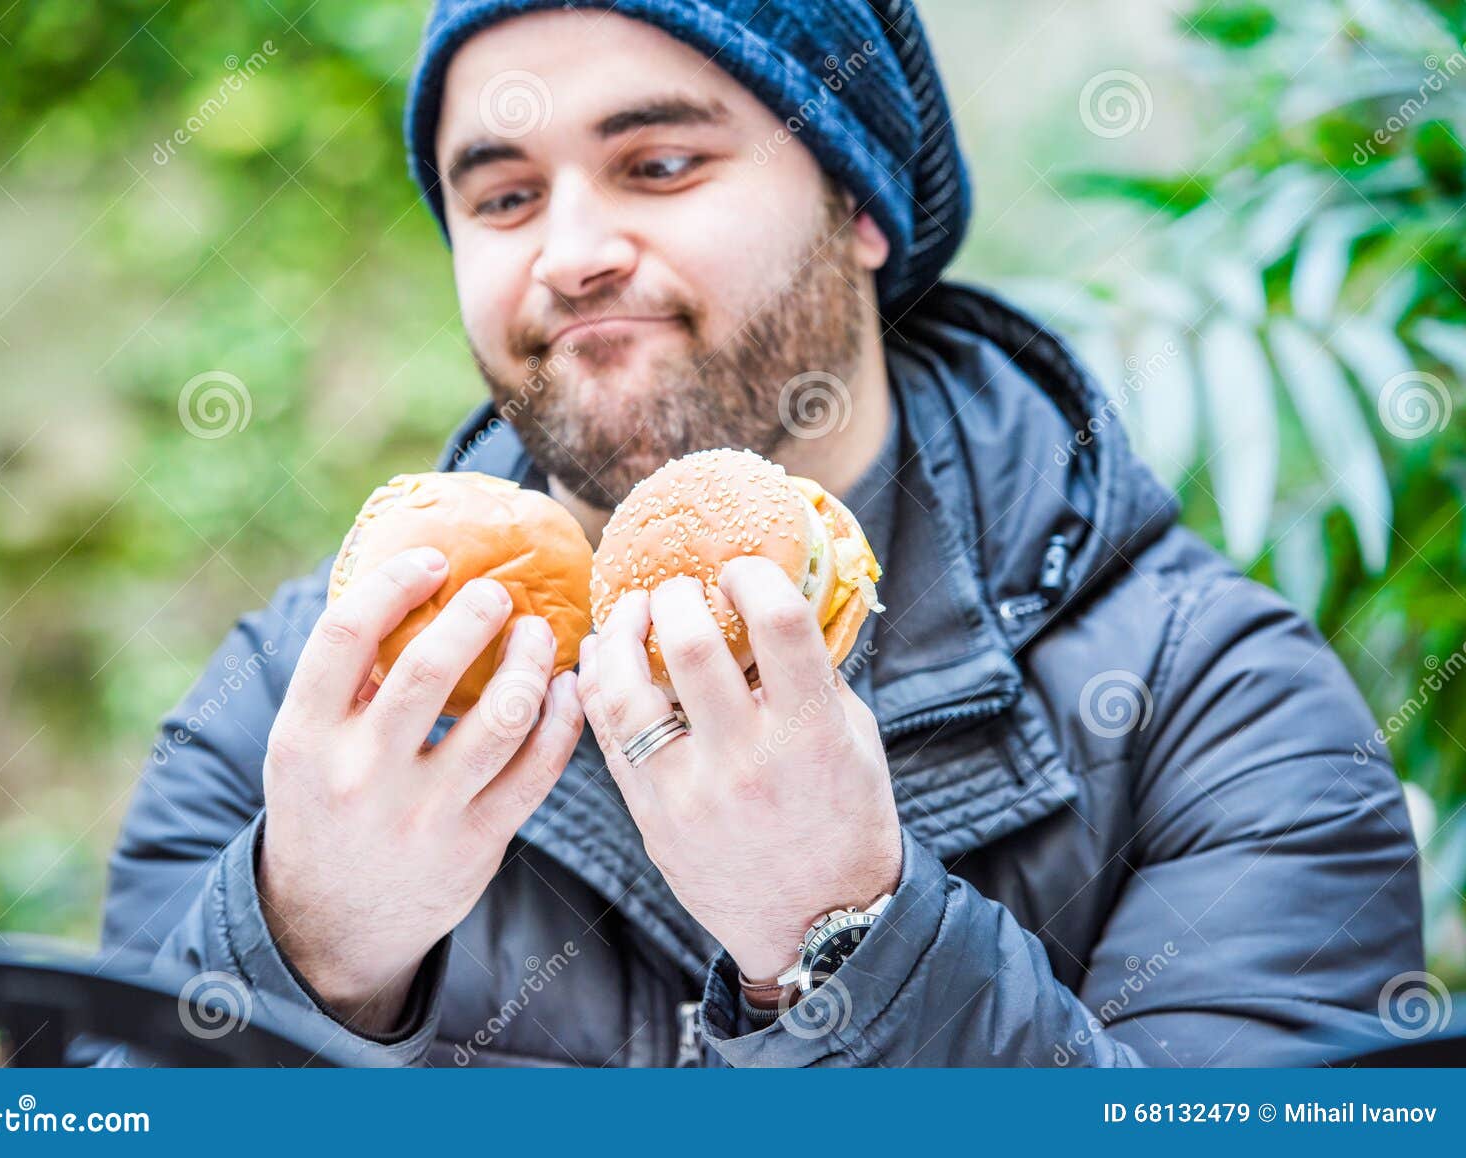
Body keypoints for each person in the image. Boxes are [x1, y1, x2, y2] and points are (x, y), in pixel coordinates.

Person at [90, 0, 1422, 1067]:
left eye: (659, 163)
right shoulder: (291, 714)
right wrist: (304, 958)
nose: (568, 252)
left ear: (860, 207)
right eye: (500, 198)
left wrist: (854, 939)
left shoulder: (1222, 708)